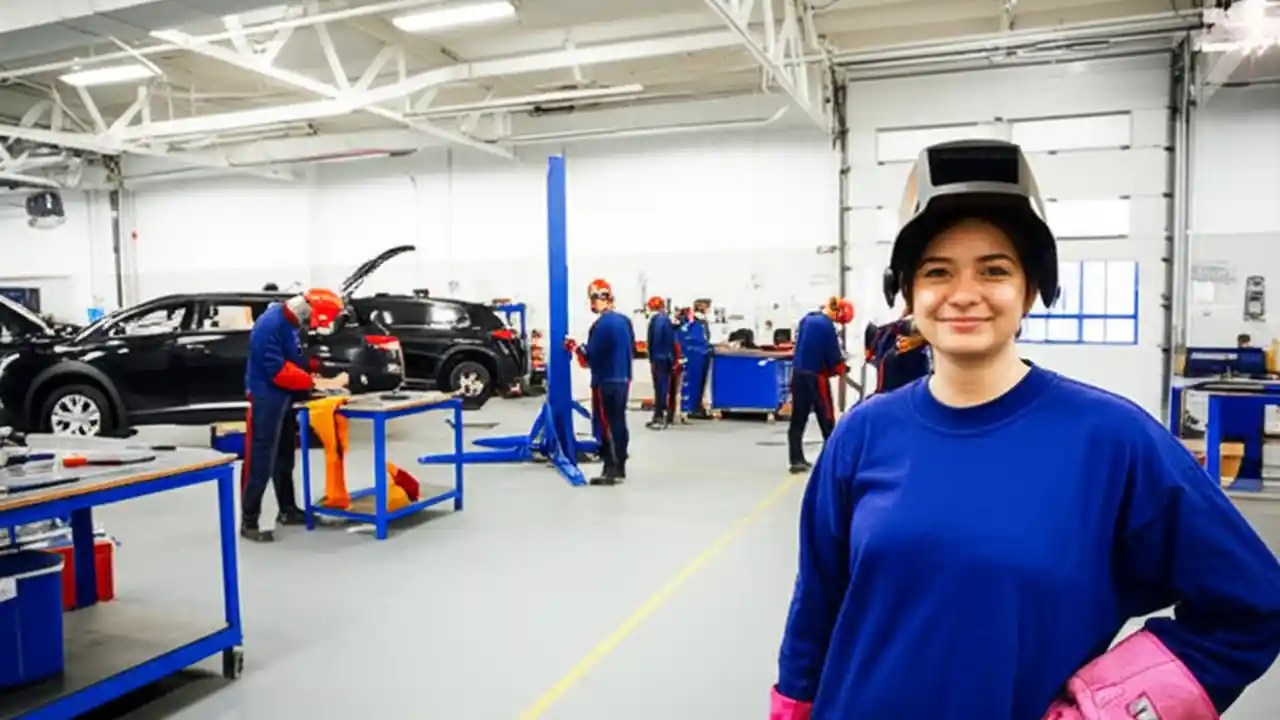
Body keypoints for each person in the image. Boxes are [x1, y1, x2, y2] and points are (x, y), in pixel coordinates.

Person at [770, 139, 1280, 719]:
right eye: (938, 272)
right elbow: (817, 604)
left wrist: (1108, 708)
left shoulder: (1112, 441)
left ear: (1030, 290)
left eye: (995, 270)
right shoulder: (862, 436)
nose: (965, 294)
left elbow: (1253, 604)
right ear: (909, 293)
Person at [241, 289, 346, 542]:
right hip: (267, 397)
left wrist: (316, 370)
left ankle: (287, 510)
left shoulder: (290, 321)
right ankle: (249, 520)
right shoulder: (270, 324)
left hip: (285, 396)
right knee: (261, 459)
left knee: (285, 456)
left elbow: (295, 356)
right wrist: (315, 383)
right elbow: (277, 369)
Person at [565, 279, 634, 486]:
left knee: (605, 424)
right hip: (623, 378)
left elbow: (590, 358)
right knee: (619, 421)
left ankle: (610, 469)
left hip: (605, 380)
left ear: (596, 299)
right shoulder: (625, 321)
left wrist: (575, 347)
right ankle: (620, 465)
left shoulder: (600, 325)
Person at [787, 296, 854, 474]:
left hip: (798, 375)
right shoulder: (826, 326)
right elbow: (833, 357)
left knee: (798, 420)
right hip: (815, 379)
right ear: (837, 312)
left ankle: (795, 460)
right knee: (827, 418)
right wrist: (843, 366)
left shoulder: (806, 319)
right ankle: (833, 461)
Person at [645, 296, 677, 430]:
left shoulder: (658, 320)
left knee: (660, 388)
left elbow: (656, 340)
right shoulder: (665, 320)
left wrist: (653, 359)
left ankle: (659, 417)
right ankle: (664, 416)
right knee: (663, 388)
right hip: (666, 358)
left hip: (659, 359)